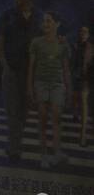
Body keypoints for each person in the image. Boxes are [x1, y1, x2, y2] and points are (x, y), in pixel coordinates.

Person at [0, 0, 41, 160]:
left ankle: (16, 142)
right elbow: (0, 41)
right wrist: (3, 64)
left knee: (23, 110)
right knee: (12, 110)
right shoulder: (7, 15)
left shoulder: (39, 16)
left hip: (30, 71)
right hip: (12, 68)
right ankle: (14, 147)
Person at [29, 12, 70, 168]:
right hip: (41, 83)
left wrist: (68, 87)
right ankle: (44, 154)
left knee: (57, 117)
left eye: (49, 21)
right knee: (43, 118)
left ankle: (57, 151)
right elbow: (31, 66)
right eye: (44, 21)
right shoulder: (36, 42)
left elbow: (66, 68)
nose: (46, 24)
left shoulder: (62, 44)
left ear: (57, 24)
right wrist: (29, 87)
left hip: (57, 84)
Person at [72, 26, 92, 147]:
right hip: (74, 79)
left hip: (85, 80)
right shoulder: (73, 46)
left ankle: (82, 136)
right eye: (81, 31)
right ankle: (75, 113)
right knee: (75, 100)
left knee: (84, 104)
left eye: (85, 32)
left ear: (88, 34)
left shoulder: (91, 48)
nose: (83, 34)